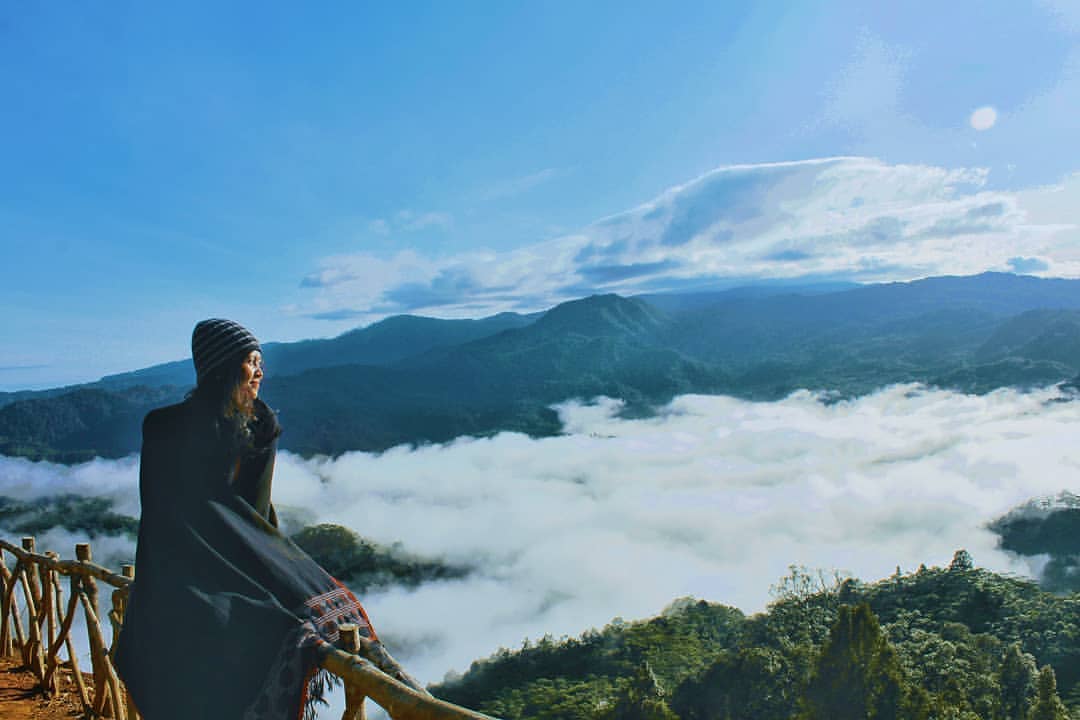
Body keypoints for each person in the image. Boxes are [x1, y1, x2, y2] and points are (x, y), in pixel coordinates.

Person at [114, 319, 416, 720]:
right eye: (250, 362)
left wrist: (272, 571)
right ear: (222, 366)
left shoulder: (258, 425)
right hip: (175, 562)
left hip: (236, 554)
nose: (260, 371)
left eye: (260, 361)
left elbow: (255, 513)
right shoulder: (165, 427)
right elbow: (168, 511)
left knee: (314, 615)